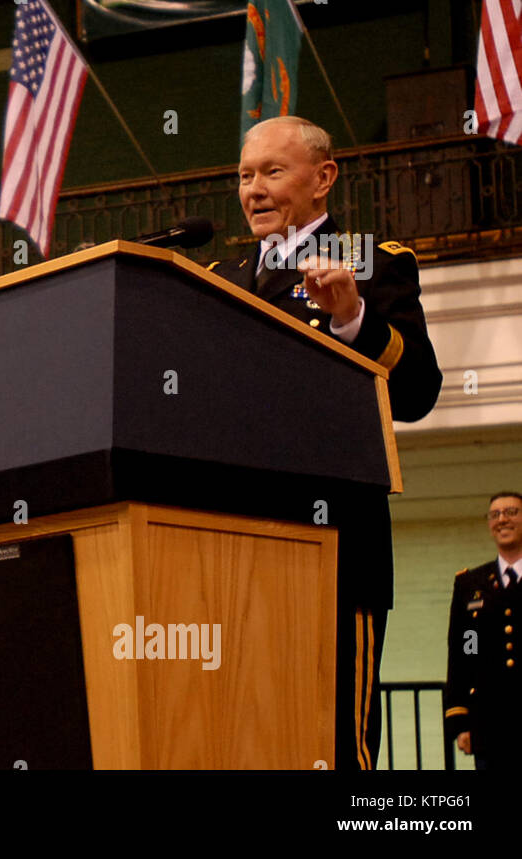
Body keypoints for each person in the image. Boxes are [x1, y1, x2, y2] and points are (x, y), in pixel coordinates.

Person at [207, 116, 443, 770]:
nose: (253, 190)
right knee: (242, 743)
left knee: (336, 748)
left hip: (333, 545)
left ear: (324, 177)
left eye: (272, 172)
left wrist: (351, 319)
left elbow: (419, 391)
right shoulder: (216, 278)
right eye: (245, 175)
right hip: (223, 551)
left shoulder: (373, 262)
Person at [444, 491, 522, 770]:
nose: (502, 520)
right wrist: (459, 719)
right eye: (495, 515)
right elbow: (462, 656)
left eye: (511, 512)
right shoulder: (470, 584)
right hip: (490, 722)